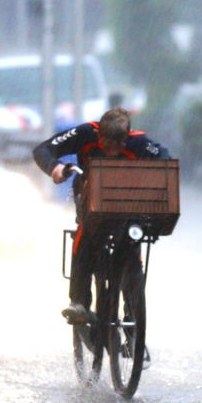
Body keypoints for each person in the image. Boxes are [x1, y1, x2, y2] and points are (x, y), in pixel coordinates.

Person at [33, 107, 170, 324]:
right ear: (99, 135)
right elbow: (43, 149)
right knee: (86, 234)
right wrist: (55, 167)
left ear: (126, 138)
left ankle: (132, 309)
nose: (111, 153)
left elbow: (164, 158)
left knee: (132, 241)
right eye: (106, 146)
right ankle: (79, 301)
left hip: (127, 205)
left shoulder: (140, 142)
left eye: (118, 147)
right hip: (90, 201)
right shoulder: (85, 133)